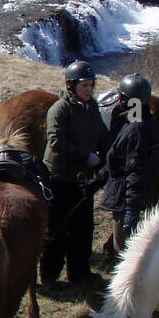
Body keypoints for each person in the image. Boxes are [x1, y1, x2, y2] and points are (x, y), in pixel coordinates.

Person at [41, 59, 109, 290]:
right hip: (60, 178)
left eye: (91, 85)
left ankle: (79, 273)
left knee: (84, 229)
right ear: (71, 87)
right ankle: (49, 276)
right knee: (58, 229)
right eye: (85, 86)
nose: (89, 90)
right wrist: (86, 156)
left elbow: (102, 135)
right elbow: (56, 142)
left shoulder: (92, 108)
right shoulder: (60, 109)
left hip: (82, 179)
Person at [90, 74, 159, 251]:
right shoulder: (141, 122)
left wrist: (131, 210)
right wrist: (95, 183)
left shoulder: (135, 130)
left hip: (125, 199)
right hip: (132, 196)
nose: (118, 100)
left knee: (123, 250)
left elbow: (134, 170)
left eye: (121, 97)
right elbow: (116, 158)